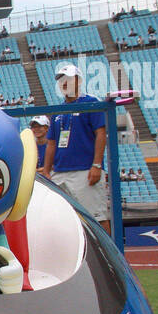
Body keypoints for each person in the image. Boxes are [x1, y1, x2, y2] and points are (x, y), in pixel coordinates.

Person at [41, 64, 110, 233]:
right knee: (64, 219)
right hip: (60, 172)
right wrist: (47, 171)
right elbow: (51, 143)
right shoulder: (58, 111)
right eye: (61, 80)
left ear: (78, 81)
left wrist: (97, 165)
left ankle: (107, 256)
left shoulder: (91, 103)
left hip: (84, 171)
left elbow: (101, 133)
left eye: (68, 79)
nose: (64, 83)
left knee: (96, 218)